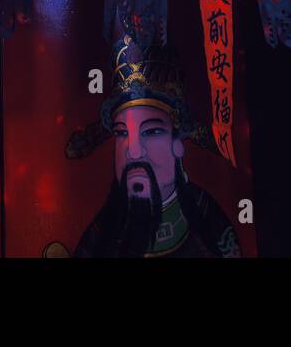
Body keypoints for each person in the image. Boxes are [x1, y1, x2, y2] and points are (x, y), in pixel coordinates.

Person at [73, 33, 240, 258]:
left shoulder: (208, 221)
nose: (133, 151)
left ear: (177, 144)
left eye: (151, 132)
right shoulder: (103, 231)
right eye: (122, 133)